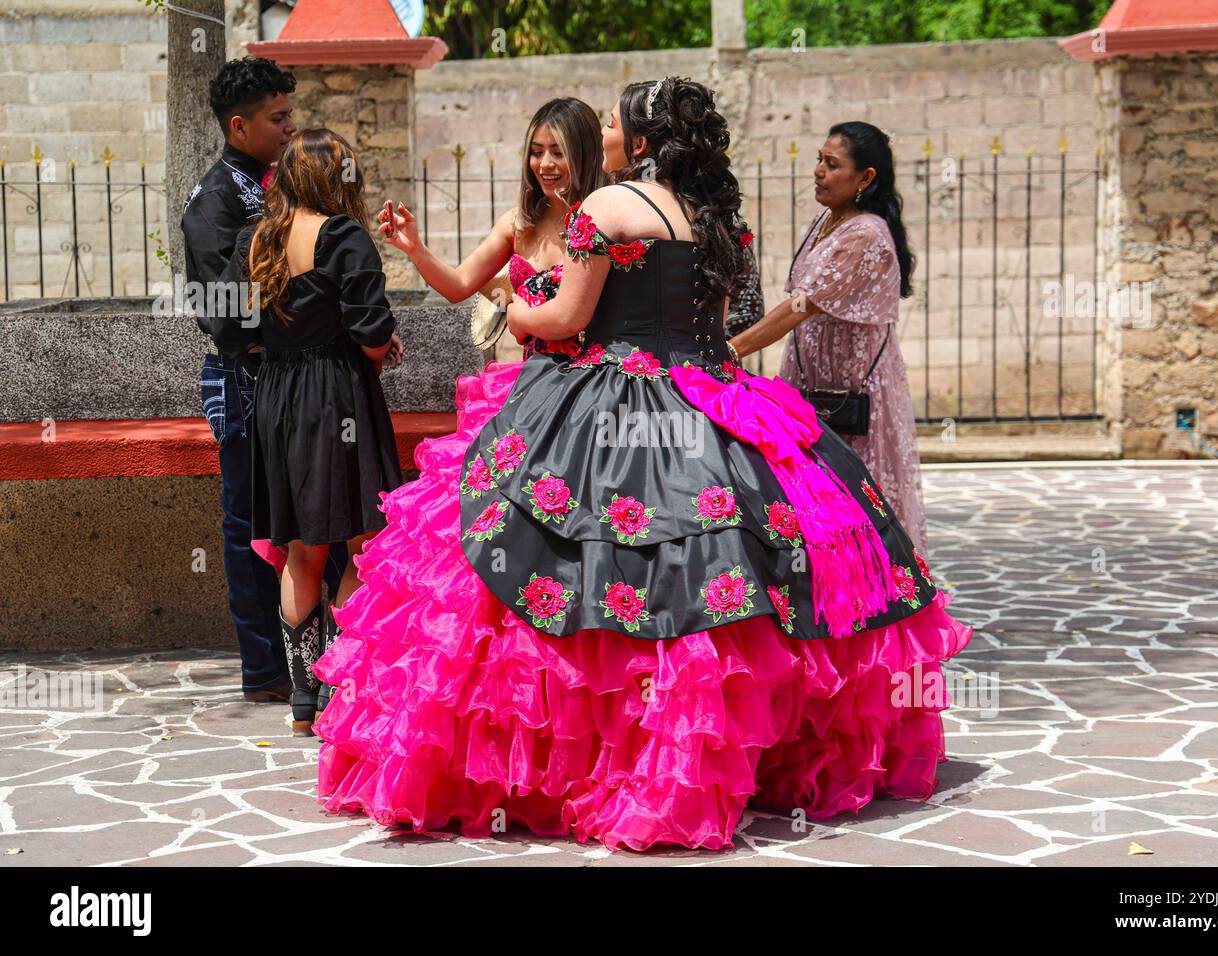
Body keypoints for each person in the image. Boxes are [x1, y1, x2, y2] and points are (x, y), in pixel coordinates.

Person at [311, 78, 972, 851]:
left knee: (578, 563)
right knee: (720, 566)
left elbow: (565, 319)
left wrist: (509, 308)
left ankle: (588, 761)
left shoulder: (606, 210)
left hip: (608, 395)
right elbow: (719, 328)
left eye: (615, 122)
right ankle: (715, 754)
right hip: (713, 396)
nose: (606, 130)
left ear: (644, 138)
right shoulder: (716, 218)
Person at [211, 129, 404, 736]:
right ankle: (343, 685)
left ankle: (302, 697)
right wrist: (381, 348)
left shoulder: (254, 240)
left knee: (300, 549)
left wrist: (272, 358)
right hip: (337, 396)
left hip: (274, 398)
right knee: (362, 543)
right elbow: (371, 331)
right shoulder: (345, 239)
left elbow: (230, 328)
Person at [730, 122, 929, 553]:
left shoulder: (866, 234)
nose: (818, 171)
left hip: (849, 391)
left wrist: (733, 348)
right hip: (812, 381)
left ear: (866, 178)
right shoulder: (828, 220)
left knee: (855, 498)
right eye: (819, 159)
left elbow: (802, 305)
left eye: (832, 164)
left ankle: (875, 607)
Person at [182, 56, 306, 704]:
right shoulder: (213, 204)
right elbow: (219, 316)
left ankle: (316, 656)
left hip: (299, 377)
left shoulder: (288, 182)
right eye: (277, 117)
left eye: (291, 114)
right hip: (242, 377)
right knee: (247, 521)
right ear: (239, 125)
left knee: (308, 513)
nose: (291, 127)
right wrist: (260, 235)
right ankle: (264, 669)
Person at [377, 97, 608, 358]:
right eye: (536, 151)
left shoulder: (609, 220)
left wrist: (520, 317)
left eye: (558, 152)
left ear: (585, 155)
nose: (544, 164)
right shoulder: (517, 225)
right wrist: (415, 249)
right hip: (535, 380)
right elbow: (458, 285)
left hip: (598, 380)